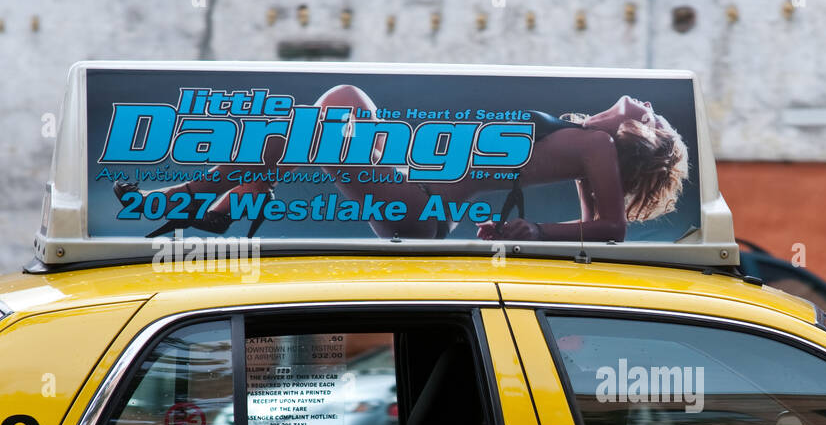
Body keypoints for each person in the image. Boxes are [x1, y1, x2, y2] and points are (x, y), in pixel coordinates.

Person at [113, 85, 689, 242]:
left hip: (418, 206)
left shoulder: (599, 148)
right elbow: (591, 230)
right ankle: (211, 203)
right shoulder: (589, 141)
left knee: (336, 107)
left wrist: (533, 230)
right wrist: (535, 233)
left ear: (642, 136)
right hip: (420, 203)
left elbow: (606, 229)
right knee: (337, 111)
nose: (652, 108)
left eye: (658, 119)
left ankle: (197, 198)